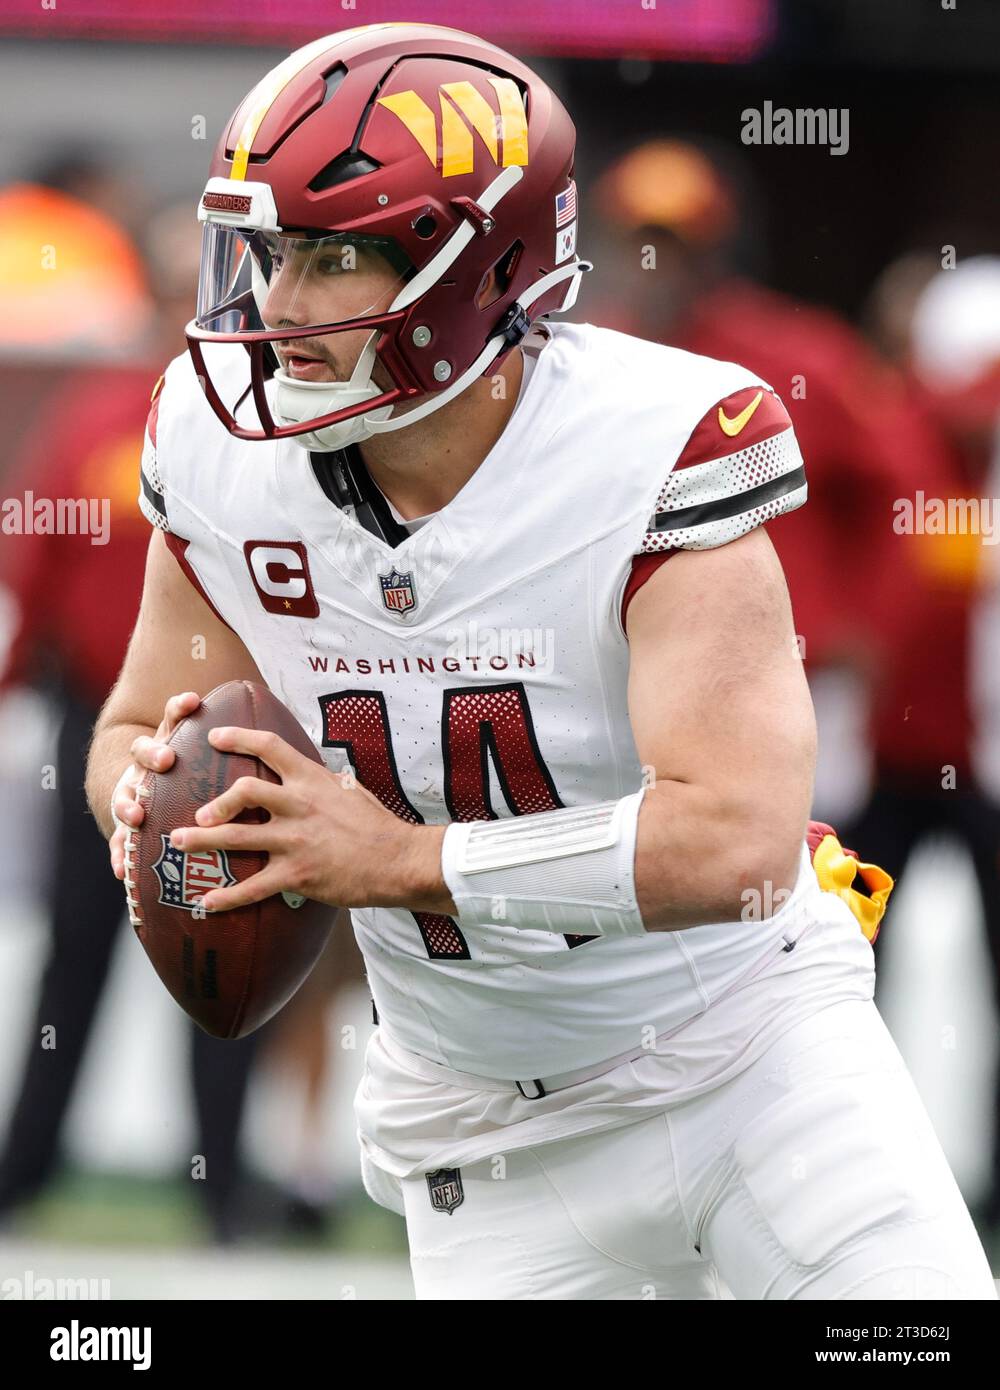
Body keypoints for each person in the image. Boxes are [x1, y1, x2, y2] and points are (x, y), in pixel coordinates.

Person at [85, 23, 996, 1299]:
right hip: (480, 1122)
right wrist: (146, 802)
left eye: (333, 256)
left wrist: (393, 857)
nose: (277, 307)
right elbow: (135, 723)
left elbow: (733, 840)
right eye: (272, 252)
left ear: (479, 265)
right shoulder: (213, 436)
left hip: (747, 1059)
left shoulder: (659, 438)